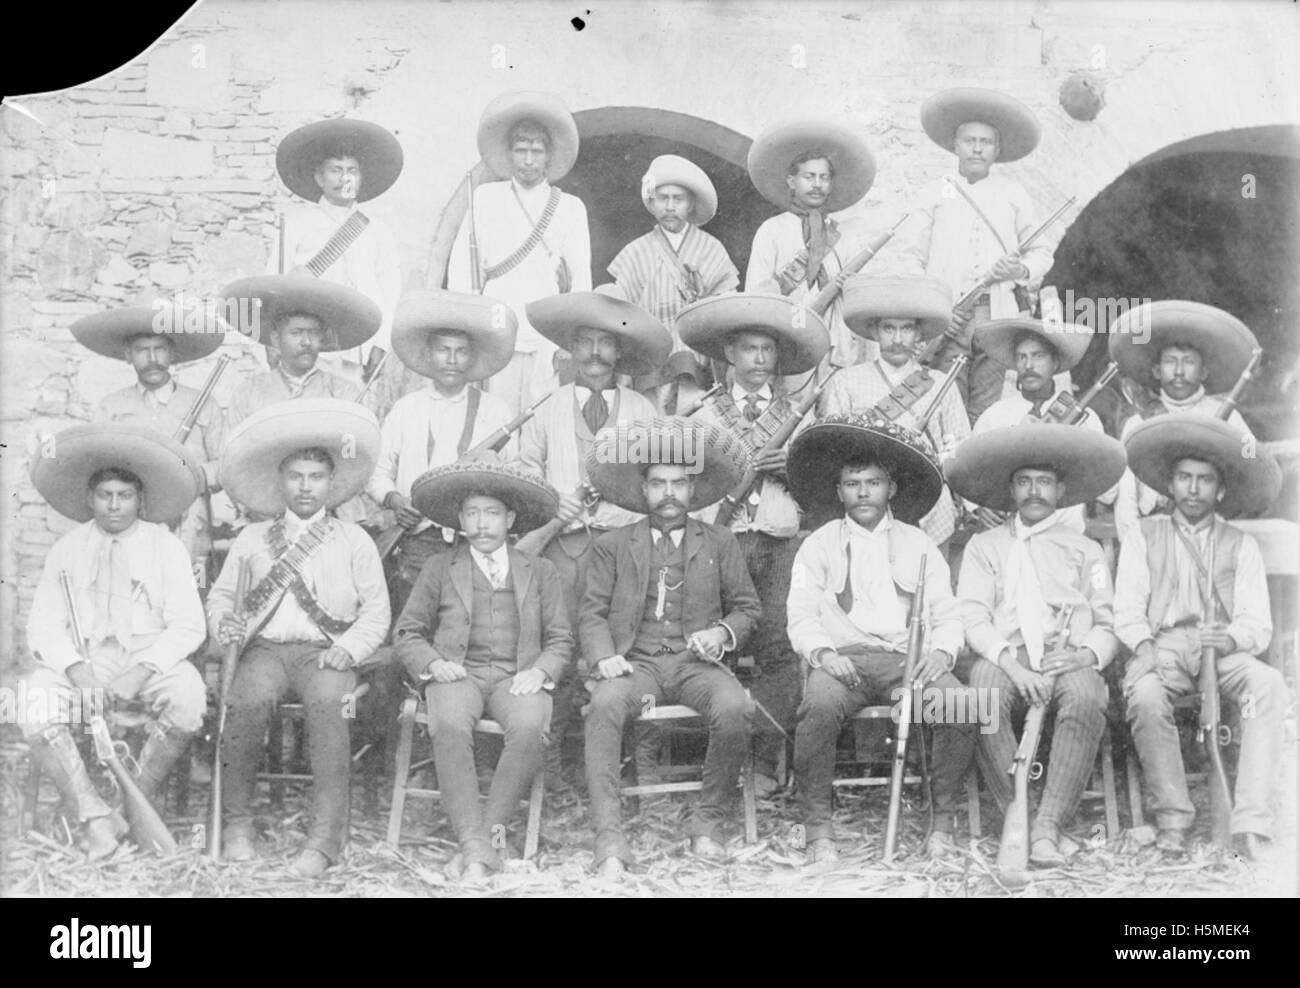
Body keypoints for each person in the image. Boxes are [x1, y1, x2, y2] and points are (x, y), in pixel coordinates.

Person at [208, 399, 390, 878]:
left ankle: (324, 840)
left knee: (332, 708)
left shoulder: (355, 540)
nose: (306, 487)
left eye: (315, 477)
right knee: (243, 703)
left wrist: (347, 648)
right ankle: (237, 825)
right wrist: (225, 623)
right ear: (281, 482)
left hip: (325, 652)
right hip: (265, 650)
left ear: (332, 484)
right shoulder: (251, 539)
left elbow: (377, 613)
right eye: (296, 476)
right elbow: (221, 598)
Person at [784, 412, 975, 862]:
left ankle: (941, 824)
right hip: (844, 662)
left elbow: (948, 613)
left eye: (873, 482)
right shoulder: (819, 545)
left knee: (961, 705)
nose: (863, 492)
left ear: (890, 488)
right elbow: (801, 614)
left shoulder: (919, 543)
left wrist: (943, 653)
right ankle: (819, 830)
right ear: (839, 491)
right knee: (817, 708)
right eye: (853, 484)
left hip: (905, 662)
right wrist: (824, 654)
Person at [579, 418, 761, 876]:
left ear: (693, 489)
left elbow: (747, 608)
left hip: (695, 666)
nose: (668, 493)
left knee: (734, 706)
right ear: (643, 490)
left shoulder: (719, 541)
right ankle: (610, 839)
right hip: (636, 667)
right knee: (603, 707)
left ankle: (708, 822)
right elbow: (591, 612)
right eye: (658, 483)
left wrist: (720, 634)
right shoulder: (613, 544)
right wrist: (604, 656)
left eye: (679, 483)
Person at [25, 423, 208, 860]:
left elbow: (188, 625)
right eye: (104, 495)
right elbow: (42, 627)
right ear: (90, 498)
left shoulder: (166, 548)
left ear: (139, 500)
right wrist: (76, 670)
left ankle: (129, 806)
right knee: (34, 702)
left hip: (148, 654)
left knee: (190, 698)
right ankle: (92, 815)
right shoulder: (66, 549)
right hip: (85, 655)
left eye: (123, 496)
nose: (113, 505)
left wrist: (143, 670)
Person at [947, 423, 1126, 866]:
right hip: (1005, 654)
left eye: (1044, 481)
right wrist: (1014, 666)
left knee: (1086, 695)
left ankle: (1047, 826)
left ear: (1061, 489)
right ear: (1011, 488)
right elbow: (972, 616)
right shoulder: (984, 546)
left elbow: (1107, 621)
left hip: (1066, 655)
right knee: (982, 697)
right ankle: (1022, 818)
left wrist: (1084, 655)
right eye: (1024, 481)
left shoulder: (1084, 549)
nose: (1034, 491)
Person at [676, 292, 830, 791]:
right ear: (730, 355)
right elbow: (686, 484)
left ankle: (765, 762)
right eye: (749, 349)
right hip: (721, 541)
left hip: (781, 542)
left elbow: (823, 491)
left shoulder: (801, 416)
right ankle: (714, 763)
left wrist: (793, 469)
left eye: (767, 350)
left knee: (779, 653)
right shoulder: (702, 415)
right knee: (707, 641)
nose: (759, 360)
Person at [392, 460, 572, 880]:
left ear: (510, 519)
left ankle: (480, 845)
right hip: (460, 672)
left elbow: (562, 639)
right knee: (450, 724)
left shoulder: (541, 571)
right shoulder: (440, 566)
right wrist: (434, 663)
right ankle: (480, 845)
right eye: (472, 513)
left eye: (492, 513)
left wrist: (541, 671)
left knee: (530, 727)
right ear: (460, 519)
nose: (482, 523)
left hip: (517, 674)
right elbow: (407, 632)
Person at [1115, 414, 1284, 861]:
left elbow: (1258, 624)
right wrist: (1146, 648)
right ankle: (1173, 818)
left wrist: (1227, 639)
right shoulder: (1142, 535)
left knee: (1266, 685)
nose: (1193, 489)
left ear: (1219, 490)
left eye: (1205, 480)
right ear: (1169, 485)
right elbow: (1127, 612)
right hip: (1163, 646)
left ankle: (1250, 820)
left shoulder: (1240, 544)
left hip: (1221, 651)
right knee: (1146, 696)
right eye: (1184, 478)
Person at [897, 88, 1055, 422]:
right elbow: (910, 256)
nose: (978, 149)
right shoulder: (934, 193)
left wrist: (1017, 270)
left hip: (996, 317)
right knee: (945, 402)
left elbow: (1042, 252)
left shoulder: (1013, 194)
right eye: (970, 141)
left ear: (997, 150)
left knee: (987, 406)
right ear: (955, 145)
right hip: (950, 318)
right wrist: (935, 307)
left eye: (986, 142)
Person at [366, 289, 518, 616]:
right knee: (414, 621)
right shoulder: (406, 409)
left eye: (461, 352)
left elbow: (514, 475)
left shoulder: (496, 412)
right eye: (443, 350)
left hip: (475, 540)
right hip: (416, 538)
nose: (451, 360)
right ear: (429, 355)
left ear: (471, 357)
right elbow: (377, 471)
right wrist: (395, 501)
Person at [448, 91, 592, 416]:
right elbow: (461, 272)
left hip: (545, 327)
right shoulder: (484, 198)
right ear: (510, 154)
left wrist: (569, 339)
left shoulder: (569, 207)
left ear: (548, 156)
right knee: (495, 414)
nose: (529, 159)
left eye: (537, 151)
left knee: (541, 417)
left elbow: (582, 279)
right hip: (496, 323)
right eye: (521, 150)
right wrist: (471, 326)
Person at [818, 275, 971, 551]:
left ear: (919, 334)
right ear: (875, 332)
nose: (898, 339)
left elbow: (961, 450)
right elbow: (832, 452)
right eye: (889, 328)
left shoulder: (941, 383)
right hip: (867, 509)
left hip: (932, 512)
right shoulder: (846, 381)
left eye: (907, 329)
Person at [73, 305, 227, 568]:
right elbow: (97, 469)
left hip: (188, 522)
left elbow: (225, 466)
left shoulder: (204, 403)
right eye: (142, 350)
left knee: (187, 592)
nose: (152, 358)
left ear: (172, 353)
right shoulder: (111, 407)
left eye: (160, 349)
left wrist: (190, 478)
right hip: (130, 523)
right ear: (128, 356)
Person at [271, 118, 402, 389]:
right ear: (319, 177)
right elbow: (273, 286)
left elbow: (391, 293)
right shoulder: (296, 225)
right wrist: (271, 343)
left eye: (352, 170)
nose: (345, 178)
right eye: (335, 169)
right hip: (308, 344)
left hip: (359, 344)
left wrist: (381, 344)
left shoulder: (379, 231)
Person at [1108, 300, 1257, 540]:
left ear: (1203, 371)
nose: (1178, 371)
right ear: (1157, 370)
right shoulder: (1138, 424)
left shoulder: (1228, 415)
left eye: (1188, 362)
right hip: (1154, 533)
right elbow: (1126, 498)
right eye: (1170, 361)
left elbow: (1252, 457)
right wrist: (1134, 549)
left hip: (1211, 533)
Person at [607, 154, 739, 411]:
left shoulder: (711, 249)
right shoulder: (636, 252)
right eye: (662, 198)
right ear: (652, 203)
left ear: (691, 204)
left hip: (699, 364)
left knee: (694, 436)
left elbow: (730, 313)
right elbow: (620, 316)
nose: (669, 207)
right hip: (650, 364)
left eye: (678, 199)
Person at [744, 118, 877, 368]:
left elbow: (861, 294)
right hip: (789, 338)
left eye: (824, 178)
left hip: (837, 339)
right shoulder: (772, 231)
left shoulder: (845, 235)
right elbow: (757, 293)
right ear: (792, 181)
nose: (817, 185)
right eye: (809, 177)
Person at [970, 317, 1112, 533]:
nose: (1029, 366)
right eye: (1021, 357)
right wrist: (978, 506)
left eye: (1038, 356)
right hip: (1008, 535)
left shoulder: (1085, 417)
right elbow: (970, 470)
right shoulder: (994, 416)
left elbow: (1105, 482)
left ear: (1055, 363)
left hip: (1065, 532)